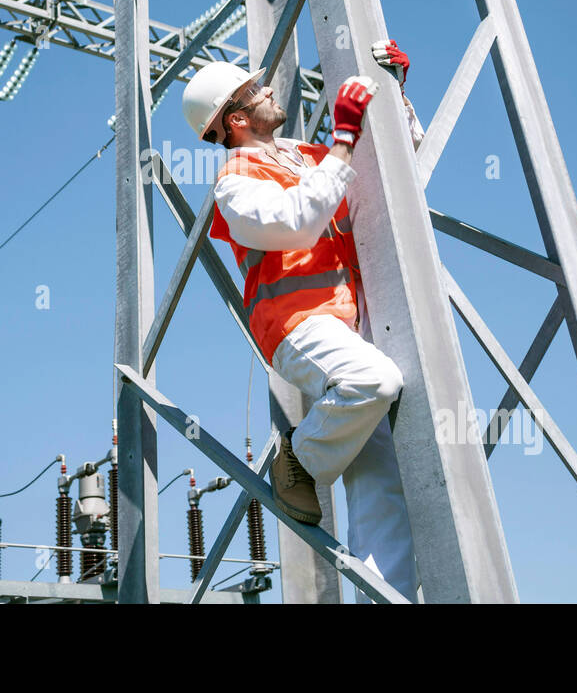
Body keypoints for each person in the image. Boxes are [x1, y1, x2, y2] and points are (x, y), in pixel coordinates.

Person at [181, 40, 425, 600]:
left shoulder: (303, 157)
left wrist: (394, 92)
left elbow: (395, 164)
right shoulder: (235, 181)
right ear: (237, 118)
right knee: (375, 381)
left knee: (380, 492)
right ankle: (302, 457)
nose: (270, 88)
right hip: (298, 326)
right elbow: (294, 223)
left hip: (350, 324)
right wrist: (341, 141)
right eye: (255, 89)